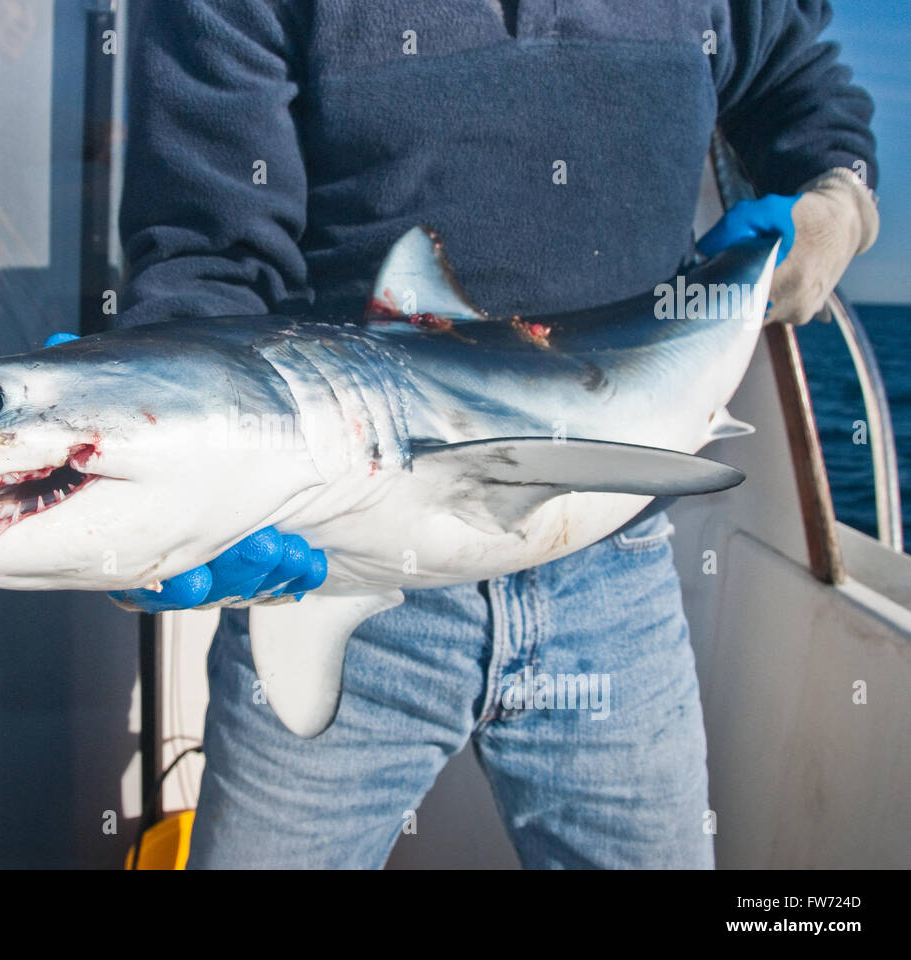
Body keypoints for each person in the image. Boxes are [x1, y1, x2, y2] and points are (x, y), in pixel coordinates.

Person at [112, 0, 879, 868]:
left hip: (615, 574)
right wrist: (183, 436)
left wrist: (838, 196)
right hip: (335, 569)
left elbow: (798, 84)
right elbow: (211, 260)